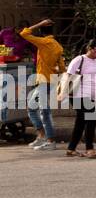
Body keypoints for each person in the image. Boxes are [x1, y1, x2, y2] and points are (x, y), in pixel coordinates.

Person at [21, 19, 64, 151]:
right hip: (47, 81)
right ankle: (42, 136)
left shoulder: (44, 42)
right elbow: (62, 68)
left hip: (45, 82)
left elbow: (24, 33)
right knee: (32, 108)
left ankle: (50, 141)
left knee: (44, 112)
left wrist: (39, 23)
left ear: (41, 32)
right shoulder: (57, 46)